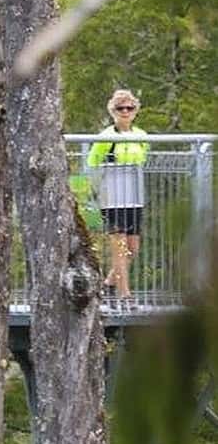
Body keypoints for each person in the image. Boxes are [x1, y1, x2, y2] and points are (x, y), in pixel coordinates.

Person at [86, 89, 149, 306]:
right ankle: (124, 294)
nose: (125, 111)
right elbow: (92, 164)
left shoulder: (141, 135)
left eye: (129, 108)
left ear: (135, 111)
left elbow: (143, 159)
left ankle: (107, 284)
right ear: (112, 111)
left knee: (132, 248)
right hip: (112, 197)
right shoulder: (105, 137)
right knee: (119, 246)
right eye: (120, 108)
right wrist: (94, 195)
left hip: (134, 196)